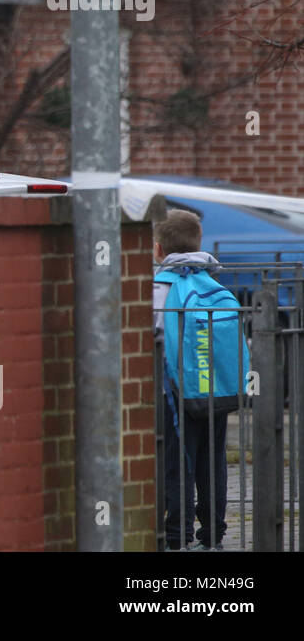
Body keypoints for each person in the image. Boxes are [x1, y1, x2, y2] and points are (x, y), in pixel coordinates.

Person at [153, 208, 231, 550]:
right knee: (212, 463)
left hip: (175, 393)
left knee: (177, 463)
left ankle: (176, 535)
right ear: (199, 242)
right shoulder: (212, 284)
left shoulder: (159, 289)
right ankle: (213, 533)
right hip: (215, 389)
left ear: (158, 249)